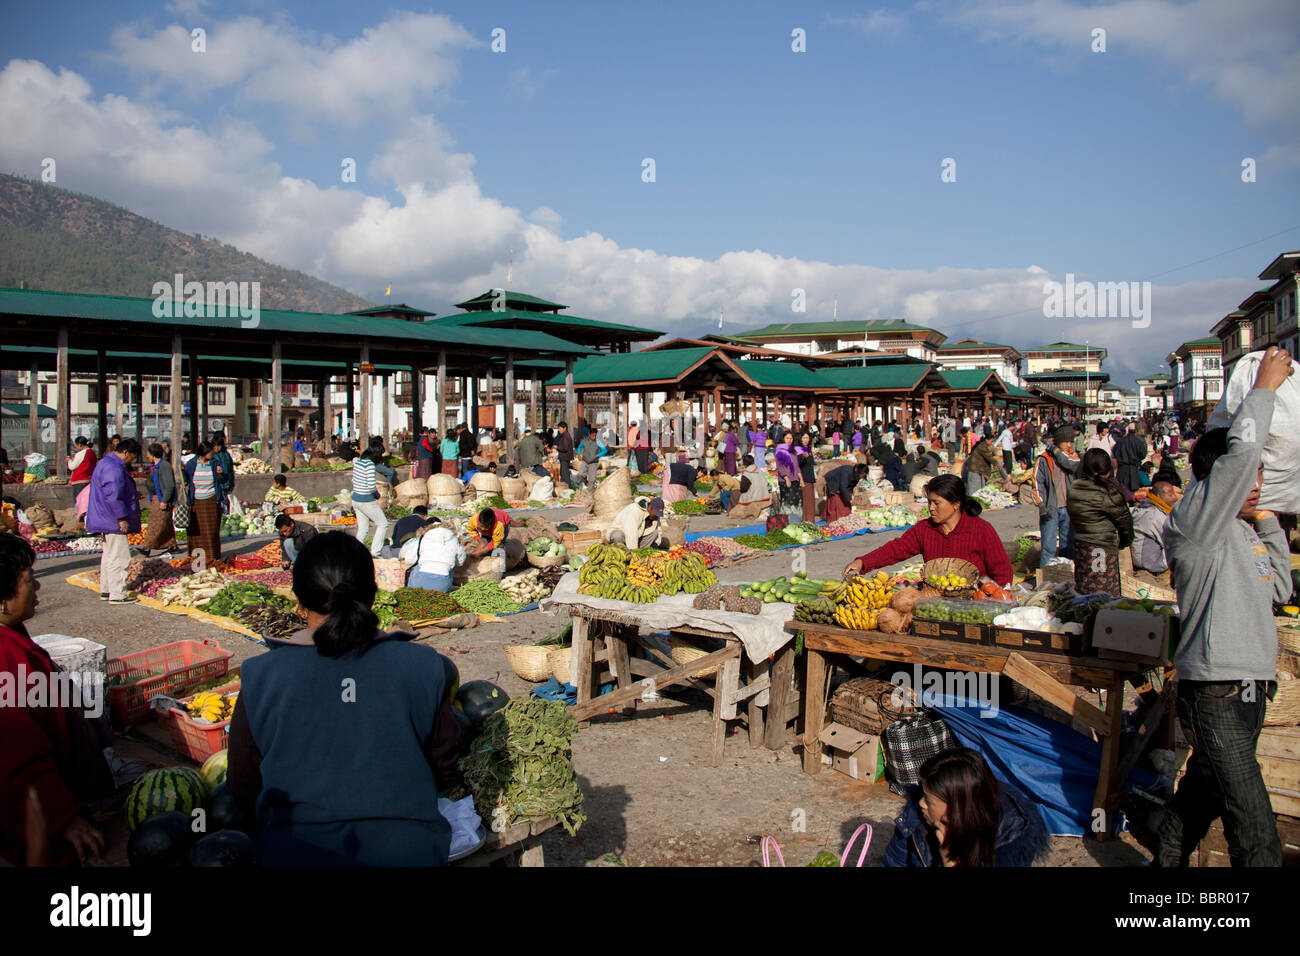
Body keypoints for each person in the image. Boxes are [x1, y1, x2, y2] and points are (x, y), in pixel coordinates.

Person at [227, 532, 459, 865]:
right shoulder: (424, 665)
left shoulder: (260, 675)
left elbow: (243, 785)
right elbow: (443, 762)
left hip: (294, 852)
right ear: (374, 594)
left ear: (299, 600)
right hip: (409, 851)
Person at [1151, 348, 1294, 868]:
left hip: (1253, 684)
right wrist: (1264, 388)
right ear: (1220, 481)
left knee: (1204, 794)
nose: (1255, 484)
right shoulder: (1195, 524)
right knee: (1250, 813)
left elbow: (1278, 588)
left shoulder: (1243, 532)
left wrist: (1270, 519)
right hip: (1215, 688)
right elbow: (1235, 463)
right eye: (1249, 476)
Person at [0, 534, 114, 866]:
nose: (37, 587)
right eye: (27, 580)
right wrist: (61, 817)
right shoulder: (6, 657)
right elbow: (18, 754)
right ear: (2, 600)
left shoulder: (12, 636)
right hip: (29, 827)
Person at [883, 748, 1048, 867]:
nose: (921, 803)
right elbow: (895, 862)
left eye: (929, 801)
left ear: (957, 808)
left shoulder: (1008, 836)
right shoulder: (916, 814)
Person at [843, 474, 1013, 586]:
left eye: (936, 503)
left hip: (974, 605)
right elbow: (896, 549)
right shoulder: (925, 529)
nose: (931, 508)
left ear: (955, 504)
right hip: (934, 602)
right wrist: (863, 562)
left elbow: (1003, 572)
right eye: (929, 502)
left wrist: (994, 598)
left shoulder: (981, 530)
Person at [1065, 449, 1134, 595]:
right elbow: (1124, 520)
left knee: (1084, 587)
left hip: (1081, 547)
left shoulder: (1074, 488)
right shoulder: (1107, 492)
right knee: (1102, 593)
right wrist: (1125, 541)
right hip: (1100, 549)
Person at [85, 437, 142, 604]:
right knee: (120, 557)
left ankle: (107, 590)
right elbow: (113, 496)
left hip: (103, 517)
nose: (132, 460)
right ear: (125, 452)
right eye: (132, 456)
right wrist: (122, 517)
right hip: (112, 519)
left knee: (109, 556)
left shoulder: (104, 463)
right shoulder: (114, 468)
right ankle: (118, 594)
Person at [1032, 426, 1078, 567]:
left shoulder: (1072, 456)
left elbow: (1071, 465)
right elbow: (1036, 484)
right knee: (1049, 547)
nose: (1069, 445)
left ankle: (1066, 577)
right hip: (1051, 509)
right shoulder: (1044, 459)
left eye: (1071, 442)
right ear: (1059, 441)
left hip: (1069, 508)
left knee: (1067, 546)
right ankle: (1047, 578)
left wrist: (1057, 451)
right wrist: (1042, 505)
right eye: (1066, 442)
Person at [184, 441, 228, 565]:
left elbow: (225, 478)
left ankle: (212, 556)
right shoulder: (192, 464)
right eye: (210, 452)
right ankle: (197, 556)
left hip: (212, 500)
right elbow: (186, 479)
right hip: (196, 502)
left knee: (212, 530)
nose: (212, 453)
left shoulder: (215, 463)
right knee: (197, 531)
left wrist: (221, 473)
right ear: (204, 452)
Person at [1130, 470, 1181, 576]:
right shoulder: (1155, 515)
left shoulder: (1143, 507)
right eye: (1170, 494)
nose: (1174, 498)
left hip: (1142, 558)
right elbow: (1170, 541)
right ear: (1159, 496)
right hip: (1151, 563)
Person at [352, 439, 396, 558]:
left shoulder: (359, 461)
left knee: (363, 529)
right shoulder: (370, 464)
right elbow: (371, 486)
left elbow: (354, 480)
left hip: (355, 499)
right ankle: (375, 552)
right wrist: (377, 495)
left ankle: (356, 552)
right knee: (383, 524)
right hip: (366, 500)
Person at [399, 519, 466, 592]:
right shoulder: (454, 539)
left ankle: (411, 592)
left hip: (419, 581)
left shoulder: (422, 539)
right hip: (442, 583)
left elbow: (409, 559)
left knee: (417, 567)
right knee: (450, 568)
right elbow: (461, 562)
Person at [141, 442, 178, 557]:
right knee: (165, 524)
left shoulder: (164, 466)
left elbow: (170, 485)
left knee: (155, 523)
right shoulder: (155, 466)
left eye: (148, 453)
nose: (147, 455)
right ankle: (172, 545)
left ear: (153, 454)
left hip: (162, 499)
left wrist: (164, 500)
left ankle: (147, 547)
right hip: (156, 497)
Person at [1113, 422, 1148, 493]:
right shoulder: (1139, 442)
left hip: (1122, 469)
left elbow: (1115, 452)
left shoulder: (1120, 441)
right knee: (1133, 492)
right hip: (1134, 469)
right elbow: (1143, 455)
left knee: (1122, 491)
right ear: (1136, 431)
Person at [210, 433, 237, 509]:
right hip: (217, 484)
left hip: (226, 484)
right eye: (215, 446)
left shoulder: (226, 454)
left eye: (218, 445)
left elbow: (230, 470)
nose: (217, 448)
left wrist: (232, 483)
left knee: (226, 505)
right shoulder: (211, 455)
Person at [554, 421, 575, 488]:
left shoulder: (566, 436)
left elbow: (565, 448)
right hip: (564, 457)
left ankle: (569, 488)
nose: (559, 430)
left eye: (560, 428)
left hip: (565, 457)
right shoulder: (564, 435)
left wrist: (557, 447)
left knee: (565, 474)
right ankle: (563, 487)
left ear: (564, 428)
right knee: (562, 473)